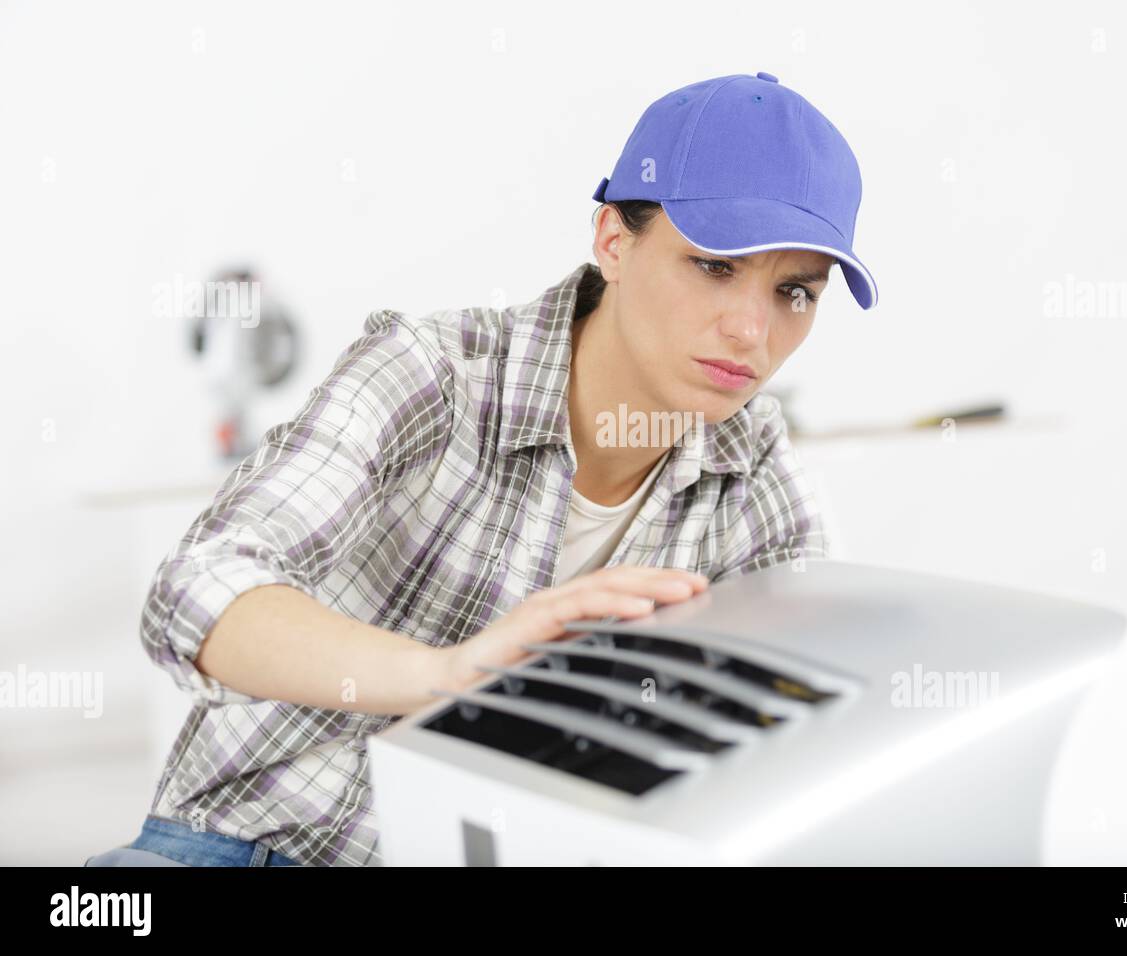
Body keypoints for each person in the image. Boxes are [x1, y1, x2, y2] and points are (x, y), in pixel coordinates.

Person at [85, 70, 877, 867]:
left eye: (795, 292)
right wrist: (449, 675)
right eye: (714, 266)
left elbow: (794, 756)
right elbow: (198, 591)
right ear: (613, 240)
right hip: (251, 848)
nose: (751, 329)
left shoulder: (757, 475)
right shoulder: (435, 373)